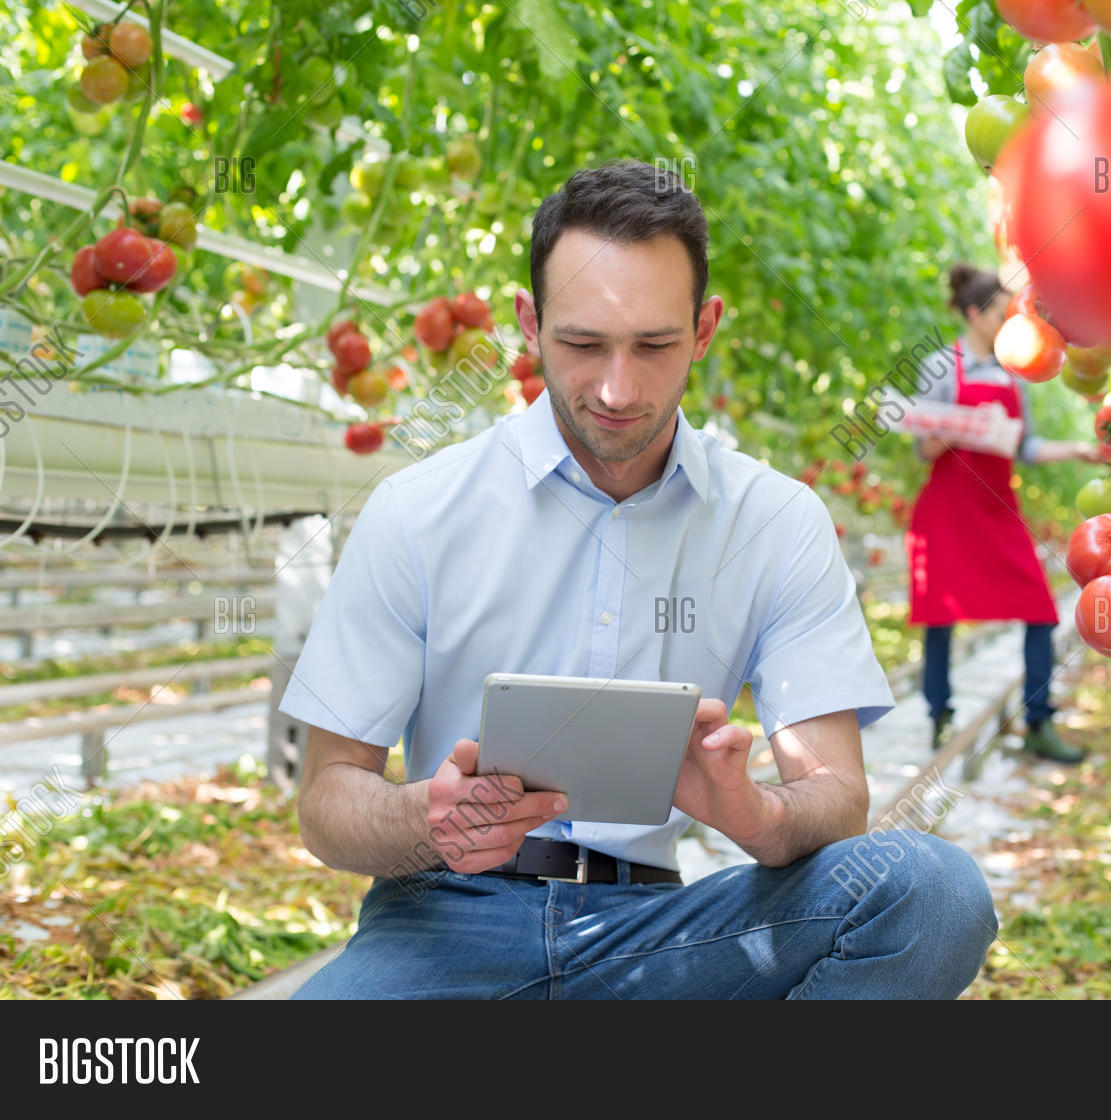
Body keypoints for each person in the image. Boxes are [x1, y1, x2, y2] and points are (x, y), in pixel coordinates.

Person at [277, 160, 998, 999]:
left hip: (659, 937)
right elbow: (328, 802)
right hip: (441, 925)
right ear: (528, 322)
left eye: (654, 346)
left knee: (931, 891)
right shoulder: (418, 511)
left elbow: (838, 796)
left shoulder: (775, 522)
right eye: (582, 344)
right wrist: (431, 819)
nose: (618, 389)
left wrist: (757, 815)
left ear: (705, 328)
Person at [904, 264, 1100, 763]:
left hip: (995, 509)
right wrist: (963, 426)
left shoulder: (1017, 372)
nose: (1012, 318)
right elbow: (924, 450)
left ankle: (1039, 722)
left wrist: (1079, 450)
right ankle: (939, 715)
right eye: (1000, 311)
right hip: (947, 512)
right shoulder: (940, 366)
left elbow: (1026, 447)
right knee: (940, 618)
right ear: (975, 314)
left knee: (1040, 609)